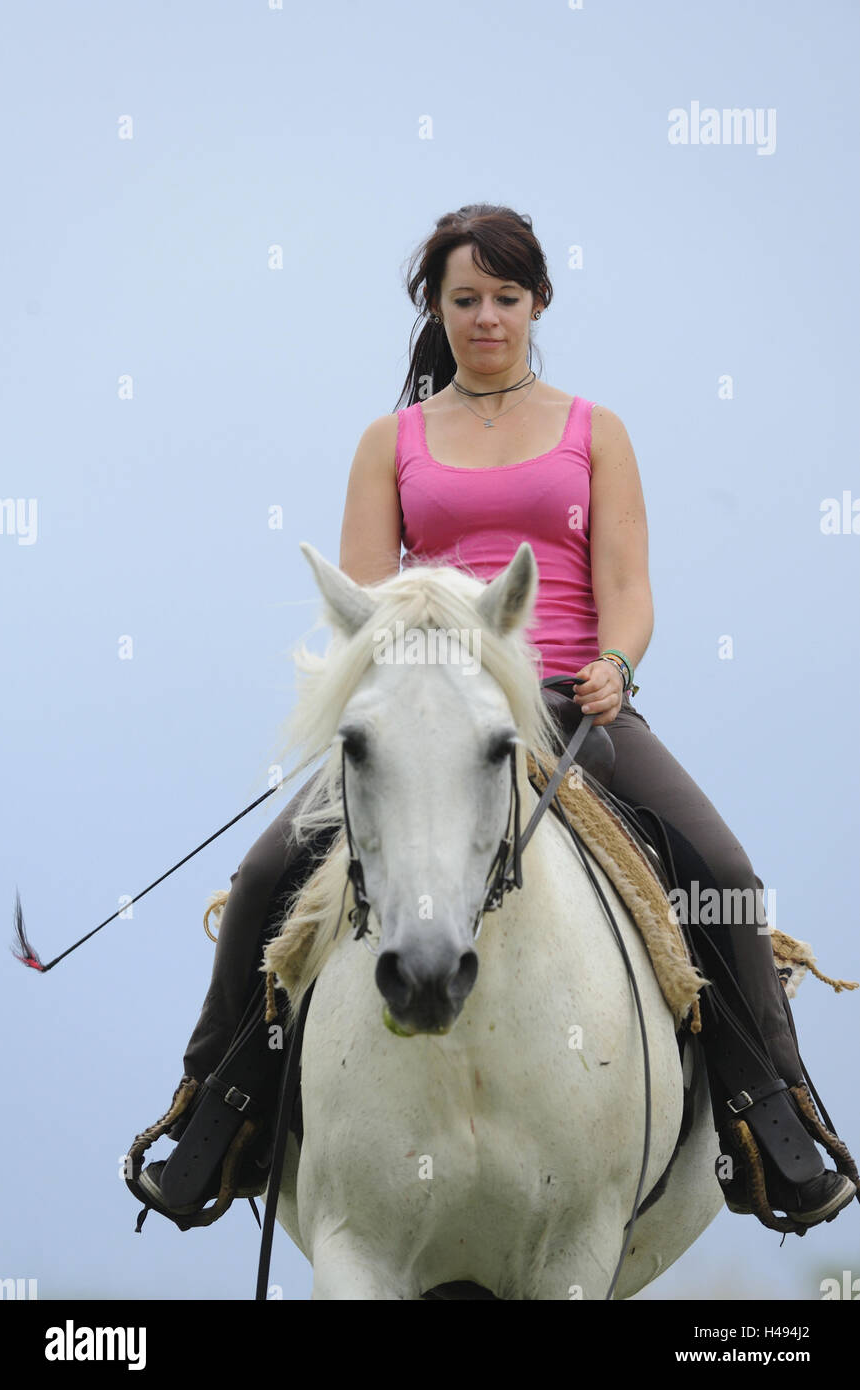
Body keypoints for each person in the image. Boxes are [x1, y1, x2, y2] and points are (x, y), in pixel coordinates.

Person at [128, 204, 855, 1232]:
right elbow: (366, 601)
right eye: (464, 299)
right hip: (425, 711)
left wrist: (614, 658)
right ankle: (214, 1114)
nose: (485, 318)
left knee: (724, 875)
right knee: (260, 879)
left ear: (538, 302)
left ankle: (772, 1118)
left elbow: (629, 589)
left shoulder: (595, 430)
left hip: (565, 700)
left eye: (505, 298)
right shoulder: (392, 440)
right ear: (437, 307)